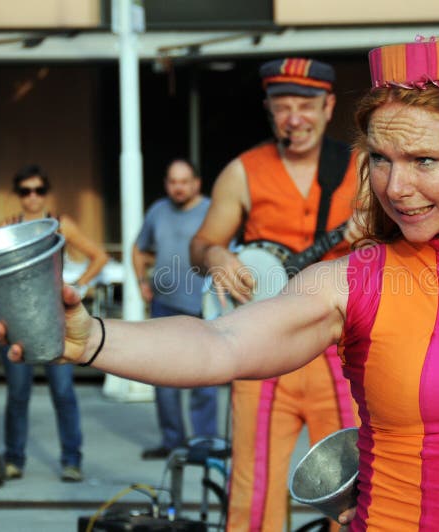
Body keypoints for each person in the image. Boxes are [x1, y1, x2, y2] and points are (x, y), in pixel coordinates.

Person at [0, 36, 439, 531]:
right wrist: (87, 337)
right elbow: (219, 345)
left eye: (425, 160)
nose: (397, 187)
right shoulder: (355, 280)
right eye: (384, 161)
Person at [189, 57, 361, 530]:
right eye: (282, 106)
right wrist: (217, 257)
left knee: (355, 481)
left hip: (342, 349)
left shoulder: (363, 167)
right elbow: (201, 243)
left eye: (305, 105)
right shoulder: (242, 171)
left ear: (328, 106)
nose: (294, 118)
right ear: (268, 109)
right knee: (253, 481)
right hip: (264, 345)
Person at [0, 163, 108, 482]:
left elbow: (98, 255)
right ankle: (14, 458)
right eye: (25, 191)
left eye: (38, 190)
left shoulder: (61, 224)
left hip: (56, 321)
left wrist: (79, 286)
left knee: (63, 392)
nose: (33, 197)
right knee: (18, 395)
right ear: (18, 195)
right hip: (18, 319)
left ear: (46, 192)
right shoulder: (10, 225)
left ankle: (71, 460)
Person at [132, 159, 218, 460]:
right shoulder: (158, 210)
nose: (178, 187)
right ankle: (173, 443)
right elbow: (139, 249)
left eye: (184, 181)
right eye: (172, 181)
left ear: (196, 183)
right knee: (162, 379)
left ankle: (205, 445)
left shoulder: (212, 210)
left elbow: (229, 252)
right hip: (164, 306)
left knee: (202, 379)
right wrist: (142, 280)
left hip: (201, 309)